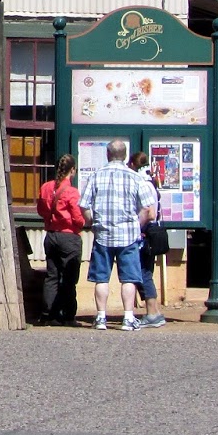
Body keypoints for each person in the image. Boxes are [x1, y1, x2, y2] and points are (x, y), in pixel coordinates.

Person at [78, 137, 153, 331]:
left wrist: (92, 222)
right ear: (125, 156)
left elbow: (83, 205)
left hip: (103, 235)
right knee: (129, 278)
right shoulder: (135, 177)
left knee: (101, 278)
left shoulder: (96, 176)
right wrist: (137, 225)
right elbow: (147, 208)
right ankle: (128, 318)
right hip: (128, 236)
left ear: (107, 154)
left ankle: (101, 317)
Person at [36, 153, 85, 326]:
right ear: (72, 170)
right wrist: (82, 223)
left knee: (52, 276)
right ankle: (68, 315)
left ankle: (48, 314)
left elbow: (40, 210)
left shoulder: (46, 187)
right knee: (69, 279)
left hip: (51, 235)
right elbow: (78, 218)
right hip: (69, 237)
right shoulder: (72, 192)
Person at [127, 148, 166, 329]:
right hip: (152, 231)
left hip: (146, 232)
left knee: (143, 273)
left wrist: (136, 227)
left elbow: (149, 213)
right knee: (146, 271)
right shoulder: (151, 181)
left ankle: (151, 313)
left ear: (133, 164)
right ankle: (155, 311)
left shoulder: (142, 183)